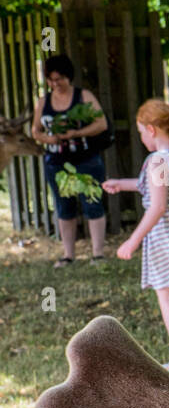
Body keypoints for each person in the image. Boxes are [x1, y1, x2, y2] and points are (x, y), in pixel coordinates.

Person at [102, 99, 169, 376]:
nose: (140, 137)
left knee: (166, 295)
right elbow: (160, 189)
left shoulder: (157, 161)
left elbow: (158, 205)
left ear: (151, 130)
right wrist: (122, 184)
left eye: (140, 132)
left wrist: (132, 240)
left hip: (167, 235)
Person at [30, 54, 110, 267]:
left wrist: (76, 133)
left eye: (59, 79)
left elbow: (101, 124)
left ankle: (98, 254)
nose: (55, 84)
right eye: (51, 80)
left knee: (92, 203)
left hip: (86, 159)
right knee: (64, 207)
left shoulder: (84, 96)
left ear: (69, 77)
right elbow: (35, 131)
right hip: (56, 162)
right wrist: (49, 138)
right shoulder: (43, 102)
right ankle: (68, 255)